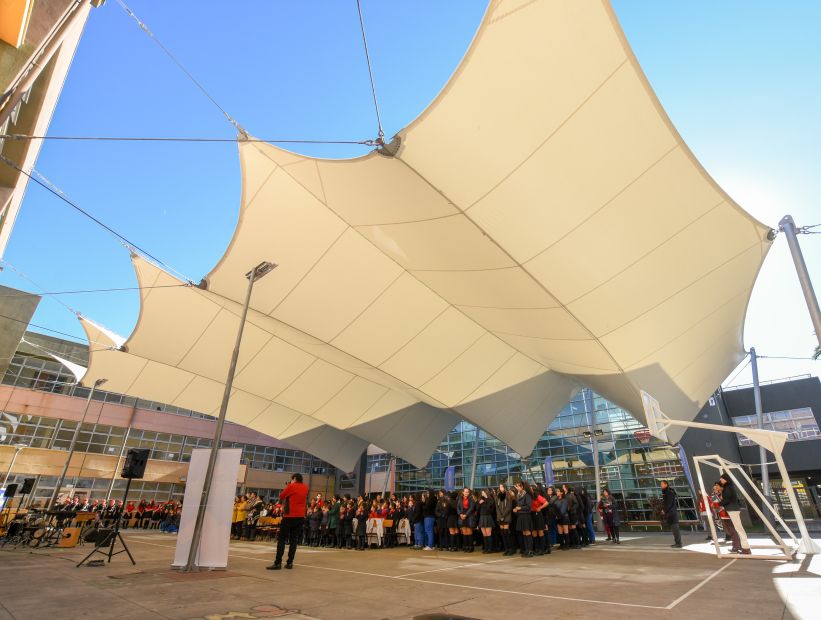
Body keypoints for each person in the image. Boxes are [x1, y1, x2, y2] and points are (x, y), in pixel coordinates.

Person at [267, 473, 308, 570]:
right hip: (300, 516)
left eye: (292, 479)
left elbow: (281, 496)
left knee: (282, 539)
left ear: (294, 478)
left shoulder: (291, 486)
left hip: (289, 516)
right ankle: (290, 563)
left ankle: (278, 563)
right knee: (294, 539)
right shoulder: (305, 487)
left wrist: (289, 485)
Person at [719, 473, 750, 555]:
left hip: (733, 509)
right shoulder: (728, 487)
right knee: (738, 528)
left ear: (726, 479)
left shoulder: (728, 487)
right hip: (732, 509)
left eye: (722, 478)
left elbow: (727, 498)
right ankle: (744, 547)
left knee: (739, 528)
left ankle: (746, 548)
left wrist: (718, 504)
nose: (720, 480)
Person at [513, 480, 534, 557]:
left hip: (526, 516)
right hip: (521, 516)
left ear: (522, 487)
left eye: (518, 486)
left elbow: (529, 506)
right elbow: (518, 505)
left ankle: (530, 550)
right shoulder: (518, 495)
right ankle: (526, 549)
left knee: (528, 533)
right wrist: (516, 509)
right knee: (524, 533)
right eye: (516, 486)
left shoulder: (527, 495)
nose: (517, 488)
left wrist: (519, 508)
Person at [660, 480, 682, 548]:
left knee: (675, 528)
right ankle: (677, 543)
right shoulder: (666, 492)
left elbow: (669, 503)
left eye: (662, 484)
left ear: (666, 484)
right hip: (670, 512)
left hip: (672, 513)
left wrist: (664, 510)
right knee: (674, 529)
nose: (661, 485)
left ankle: (678, 543)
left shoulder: (669, 492)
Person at [495, 484, 514, 556]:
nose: (500, 488)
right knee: (502, 533)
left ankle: (511, 549)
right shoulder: (497, 496)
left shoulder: (508, 495)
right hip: (500, 517)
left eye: (502, 487)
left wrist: (503, 515)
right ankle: (506, 549)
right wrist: (500, 516)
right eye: (500, 487)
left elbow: (509, 507)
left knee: (507, 533)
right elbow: (497, 507)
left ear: (505, 487)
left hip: (506, 516)